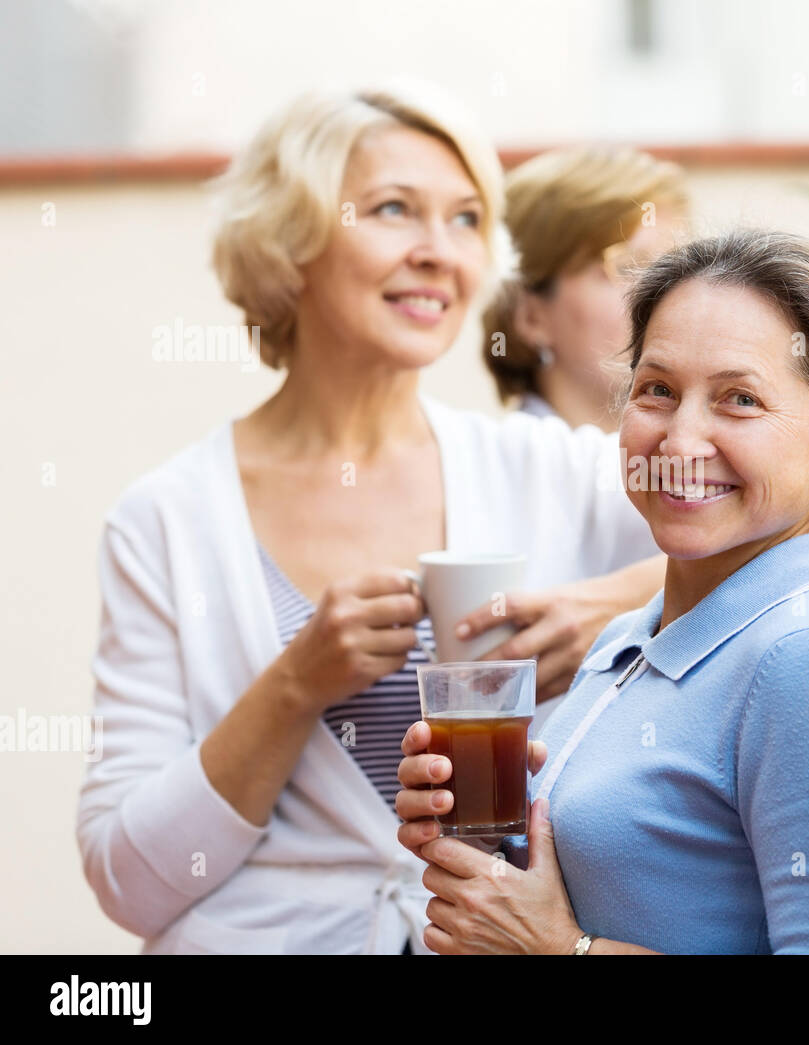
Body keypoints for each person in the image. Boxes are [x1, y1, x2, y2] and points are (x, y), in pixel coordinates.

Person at [76, 81, 666, 956]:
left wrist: (607, 604)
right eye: (395, 210)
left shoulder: (545, 469)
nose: (440, 251)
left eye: (467, 220)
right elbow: (128, 879)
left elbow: (803, 535)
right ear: (290, 240)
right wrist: (295, 684)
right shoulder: (167, 518)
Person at [395, 229, 809, 954]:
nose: (679, 439)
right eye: (658, 390)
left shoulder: (801, 658)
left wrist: (559, 949)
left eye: (739, 399)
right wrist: (476, 836)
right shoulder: (630, 637)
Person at [481, 147, 688, 431]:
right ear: (530, 316)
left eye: (675, 269)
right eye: (627, 268)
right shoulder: (504, 469)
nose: (665, 292)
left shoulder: (688, 462)